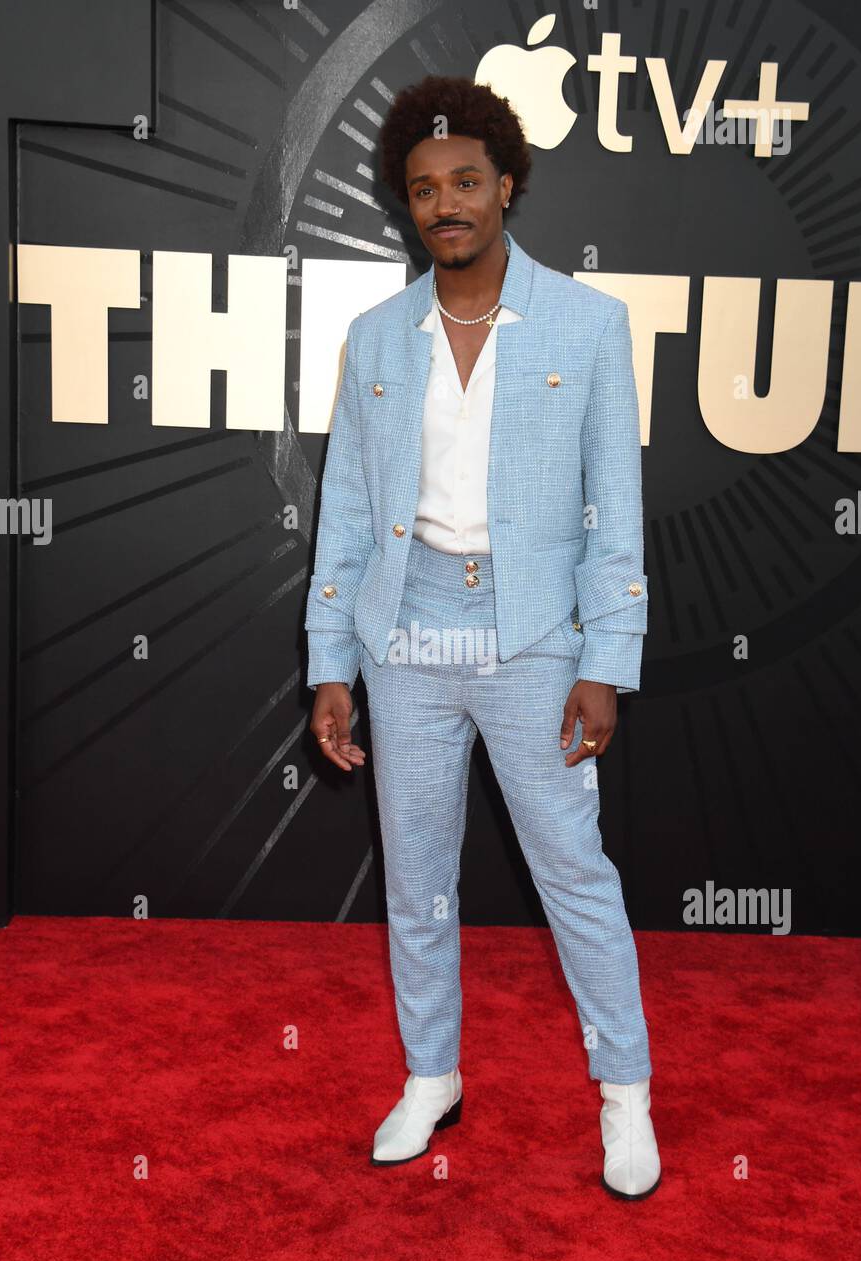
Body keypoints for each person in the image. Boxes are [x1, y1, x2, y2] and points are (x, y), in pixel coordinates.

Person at [304, 75, 661, 1199]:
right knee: (415, 878)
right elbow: (347, 516)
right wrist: (329, 662)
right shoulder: (373, 338)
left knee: (574, 872)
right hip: (403, 633)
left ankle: (626, 1095)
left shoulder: (588, 325)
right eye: (424, 189)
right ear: (409, 207)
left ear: (506, 185)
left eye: (466, 181)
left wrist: (606, 660)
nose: (445, 203)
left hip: (533, 636)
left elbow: (618, 509)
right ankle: (432, 1074)